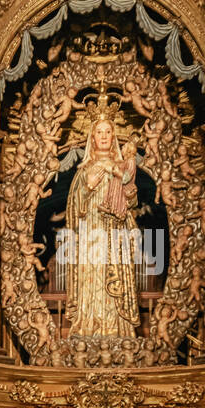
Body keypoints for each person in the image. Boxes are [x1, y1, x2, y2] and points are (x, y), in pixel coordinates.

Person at [65, 111, 139, 340]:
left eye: (108, 131)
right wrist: (88, 187)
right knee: (92, 276)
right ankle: (89, 325)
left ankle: (117, 328)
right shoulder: (83, 171)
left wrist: (130, 194)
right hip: (91, 234)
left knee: (114, 272)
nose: (104, 136)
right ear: (92, 137)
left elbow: (132, 202)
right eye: (99, 132)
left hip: (115, 232)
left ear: (114, 136)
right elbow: (72, 208)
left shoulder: (123, 166)